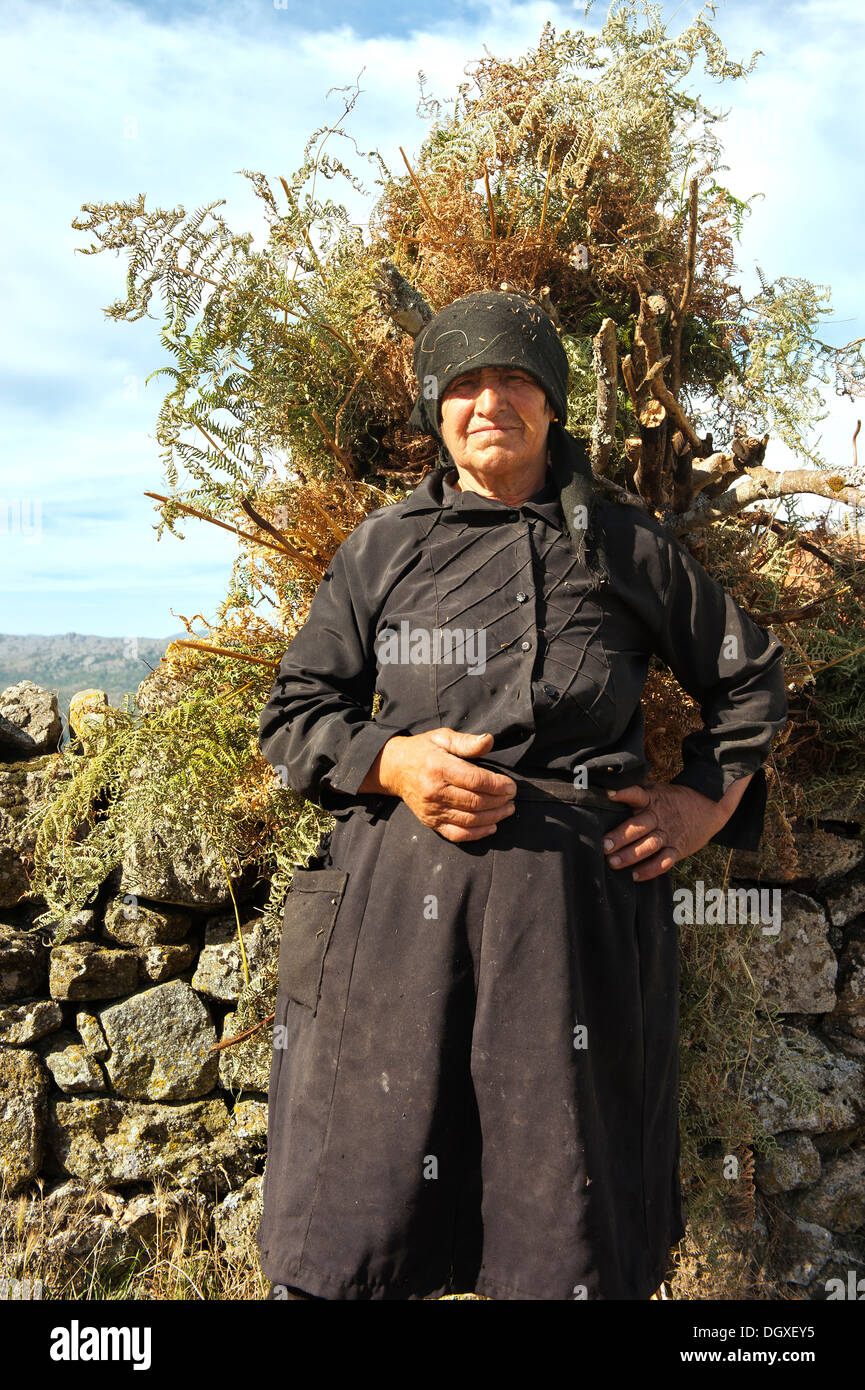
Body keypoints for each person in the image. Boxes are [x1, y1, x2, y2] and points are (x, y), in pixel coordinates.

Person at [256, 288, 788, 1301]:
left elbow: (748, 678)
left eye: (513, 379)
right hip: (392, 934)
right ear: (434, 411)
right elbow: (295, 714)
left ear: (551, 404)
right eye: (461, 384)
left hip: (573, 934)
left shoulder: (625, 547)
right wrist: (396, 763)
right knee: (359, 1218)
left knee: (564, 1229)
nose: (487, 400)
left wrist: (700, 802)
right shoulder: (382, 546)